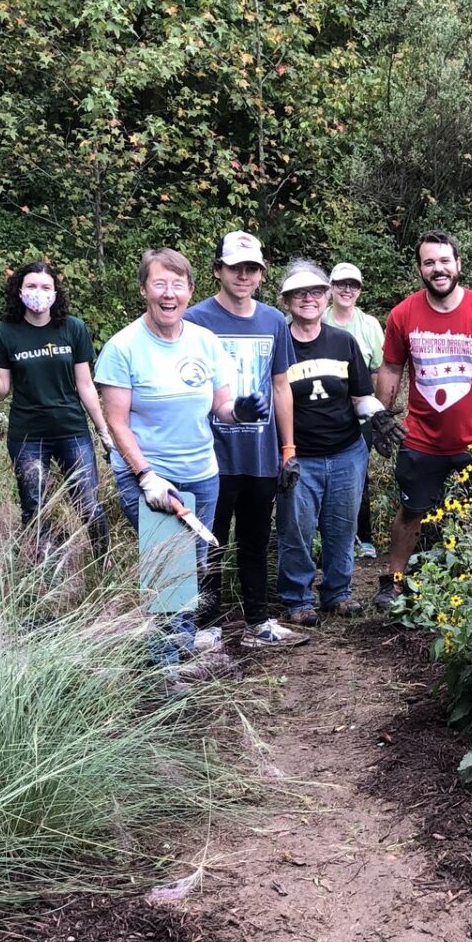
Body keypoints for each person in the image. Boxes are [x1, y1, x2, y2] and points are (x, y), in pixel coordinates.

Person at [97, 247, 291, 663]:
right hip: (150, 475)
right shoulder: (123, 347)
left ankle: (179, 647)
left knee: (193, 566)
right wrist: (146, 475)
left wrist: (239, 411)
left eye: (177, 285)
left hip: (203, 473)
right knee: (172, 570)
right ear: (144, 289)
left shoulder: (204, 341)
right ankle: (166, 669)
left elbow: (220, 405)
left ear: (189, 291)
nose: (169, 294)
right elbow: (118, 423)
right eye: (160, 283)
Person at [373, 230, 472, 608]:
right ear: (420, 269)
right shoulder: (403, 314)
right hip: (421, 440)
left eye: (444, 261)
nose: (438, 269)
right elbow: (392, 367)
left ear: (458, 264)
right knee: (411, 512)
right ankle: (393, 582)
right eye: (429, 262)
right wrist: (379, 415)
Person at [184, 231, 302, 650]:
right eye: (235, 267)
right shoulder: (196, 319)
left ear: (261, 275)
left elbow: (281, 385)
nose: (243, 275)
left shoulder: (272, 320)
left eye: (251, 268)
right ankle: (205, 623)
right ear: (218, 270)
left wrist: (288, 449)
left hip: (260, 451)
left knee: (255, 539)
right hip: (210, 454)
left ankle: (258, 620)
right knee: (208, 541)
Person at [0, 261, 111, 560]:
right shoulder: (5, 333)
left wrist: (104, 433)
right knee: (35, 509)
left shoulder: (73, 328)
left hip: (72, 431)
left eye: (45, 287)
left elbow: (86, 385)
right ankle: (42, 572)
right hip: (28, 436)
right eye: (31, 286)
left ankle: (105, 563)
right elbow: (0, 391)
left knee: (88, 504)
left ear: (55, 292)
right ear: (19, 291)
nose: (39, 292)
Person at [276, 260, 378, 624]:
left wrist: (377, 415)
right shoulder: (279, 343)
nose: (309, 299)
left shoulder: (343, 341)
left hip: (347, 451)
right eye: (299, 293)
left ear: (327, 296)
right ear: (287, 300)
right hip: (299, 454)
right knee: (297, 529)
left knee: (341, 525)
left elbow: (360, 396)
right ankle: (297, 598)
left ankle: (338, 592)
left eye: (316, 292)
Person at [326, 261, 385, 560]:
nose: (347, 290)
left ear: (360, 290)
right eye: (341, 284)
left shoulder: (369, 325)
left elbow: (377, 371)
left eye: (353, 285)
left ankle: (364, 537)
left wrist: (377, 413)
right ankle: (325, 539)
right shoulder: (315, 317)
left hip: (359, 413)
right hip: (319, 413)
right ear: (331, 287)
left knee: (357, 476)